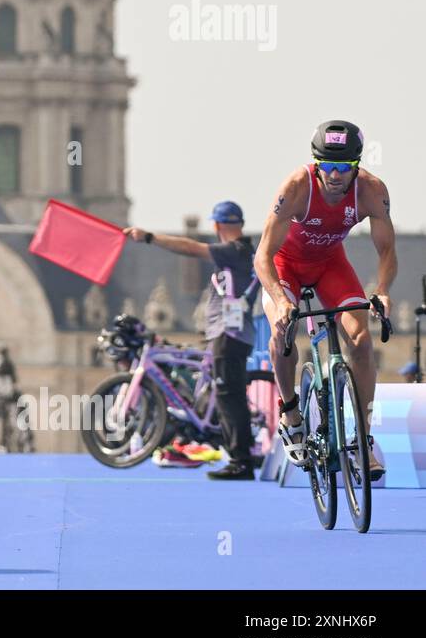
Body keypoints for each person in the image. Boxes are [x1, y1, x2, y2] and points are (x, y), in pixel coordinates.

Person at [254, 120, 397, 480]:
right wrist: (280, 300)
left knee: (361, 341)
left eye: (344, 169)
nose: (334, 177)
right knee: (282, 332)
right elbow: (262, 256)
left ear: (357, 167)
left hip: (330, 264)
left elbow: (387, 250)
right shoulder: (296, 188)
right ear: (316, 164)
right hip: (284, 266)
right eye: (327, 168)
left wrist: (381, 290)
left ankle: (362, 437)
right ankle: (290, 412)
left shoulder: (371, 191)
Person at [124, 200, 259, 479]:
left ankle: (241, 460)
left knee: (228, 395)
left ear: (216, 225)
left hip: (230, 334)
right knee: (227, 394)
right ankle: (239, 455)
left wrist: (149, 238)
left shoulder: (234, 251)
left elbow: (191, 248)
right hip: (229, 333)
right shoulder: (241, 251)